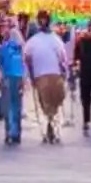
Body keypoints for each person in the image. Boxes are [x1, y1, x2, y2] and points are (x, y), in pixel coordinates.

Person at [24, 15, 68, 143]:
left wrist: (31, 73)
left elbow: (26, 57)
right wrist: (65, 72)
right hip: (55, 75)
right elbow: (63, 58)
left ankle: (49, 126)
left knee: (45, 104)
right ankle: (53, 127)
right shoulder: (56, 39)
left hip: (40, 76)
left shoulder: (32, 41)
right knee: (55, 103)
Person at [0, 17, 27, 145]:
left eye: (4, 27)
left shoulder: (5, 46)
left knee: (9, 105)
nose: (3, 29)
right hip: (16, 77)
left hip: (9, 77)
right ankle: (14, 133)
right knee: (15, 105)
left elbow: (1, 63)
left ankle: (10, 132)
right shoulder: (18, 46)